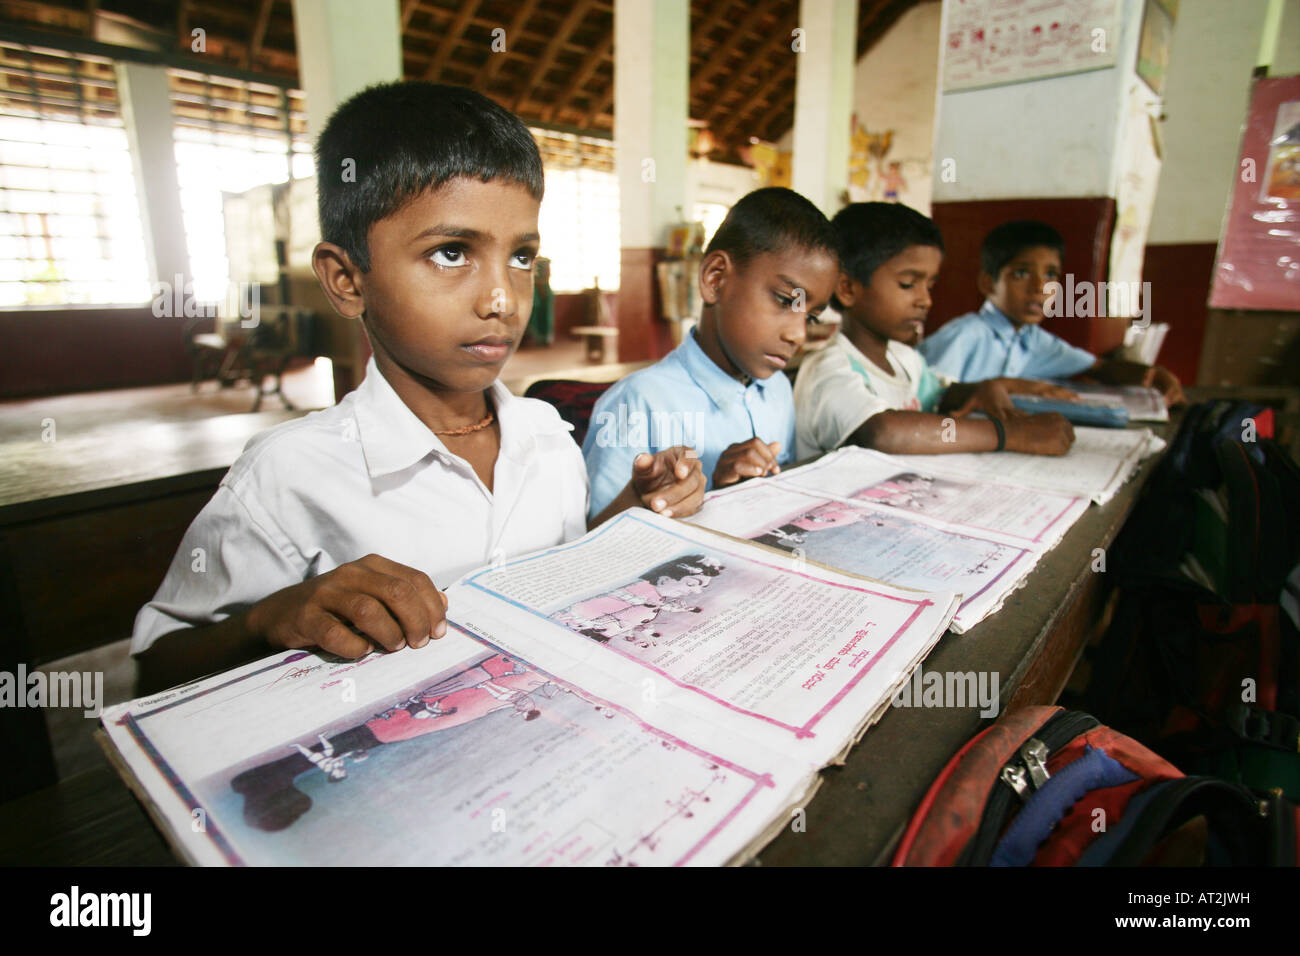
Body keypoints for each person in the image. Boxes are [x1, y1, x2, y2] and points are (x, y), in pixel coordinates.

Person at [131, 82, 705, 694]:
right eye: (452, 253)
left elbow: (563, 572)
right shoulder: (288, 475)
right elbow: (157, 668)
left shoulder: (546, 436)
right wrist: (271, 617)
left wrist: (632, 512)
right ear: (348, 280)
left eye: (521, 258)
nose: (502, 300)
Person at [582, 187, 841, 520]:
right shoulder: (638, 403)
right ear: (715, 279)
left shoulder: (778, 390)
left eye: (811, 316)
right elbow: (595, 545)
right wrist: (715, 495)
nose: (798, 334)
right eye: (784, 301)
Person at [794, 202, 1077, 460]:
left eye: (929, 285)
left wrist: (983, 388)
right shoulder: (829, 368)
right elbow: (883, 432)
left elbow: (942, 394)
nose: (925, 300)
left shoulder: (905, 359)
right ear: (847, 288)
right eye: (908, 284)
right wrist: (1008, 434)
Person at [917, 220, 1185, 406]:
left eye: (1050, 275)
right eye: (1021, 273)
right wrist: (1010, 385)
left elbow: (1099, 367)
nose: (1039, 288)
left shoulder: (1035, 340)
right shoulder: (966, 334)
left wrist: (1151, 374)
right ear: (988, 283)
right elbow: (926, 395)